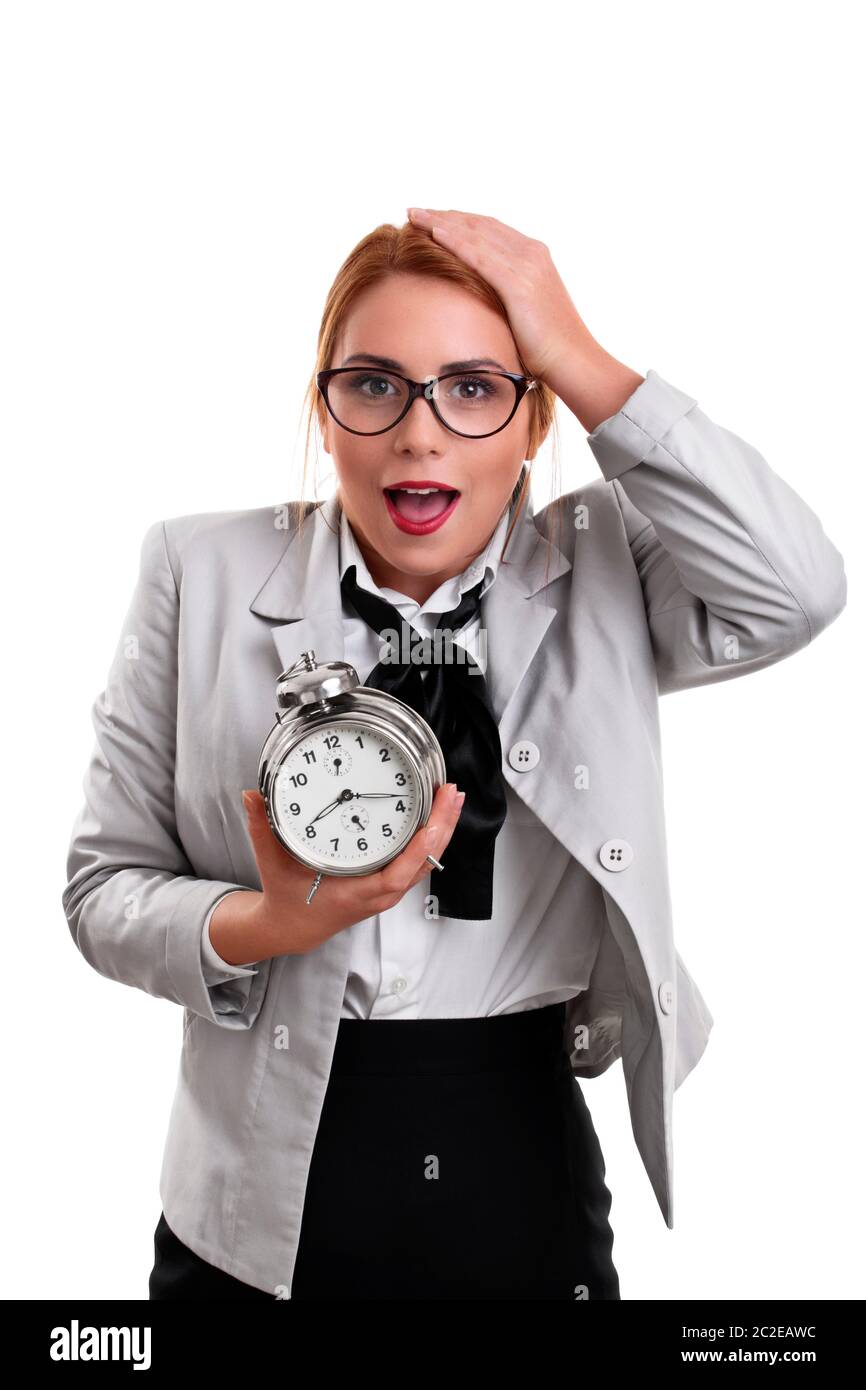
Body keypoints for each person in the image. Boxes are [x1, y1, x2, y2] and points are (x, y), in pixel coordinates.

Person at [62, 209, 847, 1301]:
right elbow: (102, 888)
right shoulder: (198, 565)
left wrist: (572, 351)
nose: (418, 434)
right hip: (258, 1176)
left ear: (532, 423)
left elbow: (794, 588)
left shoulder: (604, 565)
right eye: (374, 384)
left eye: (474, 387)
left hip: (515, 1135)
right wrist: (266, 924)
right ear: (323, 410)